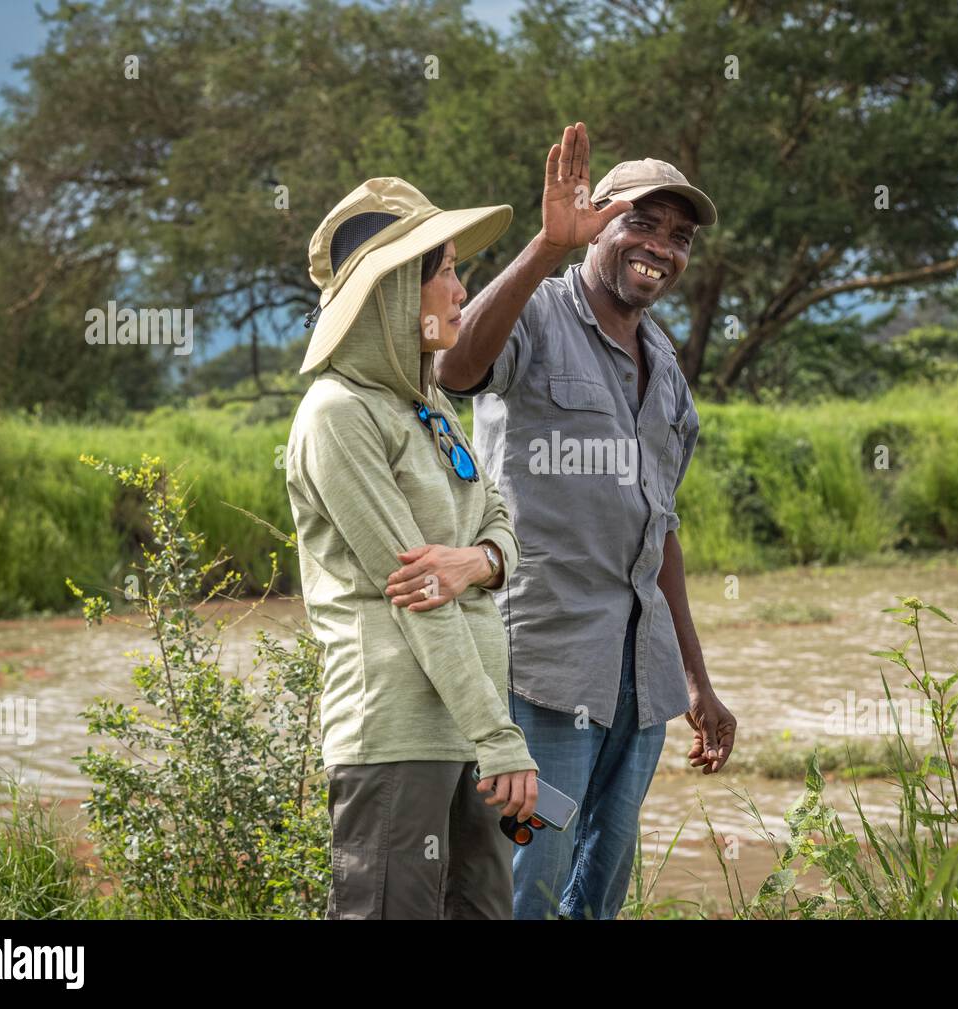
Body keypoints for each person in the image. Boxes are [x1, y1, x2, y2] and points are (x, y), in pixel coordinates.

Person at [435, 123, 738, 920]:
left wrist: (699, 683)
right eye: (641, 222)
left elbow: (660, 532)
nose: (661, 249)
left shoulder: (666, 367)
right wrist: (544, 245)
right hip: (542, 672)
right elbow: (456, 368)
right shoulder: (536, 316)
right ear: (595, 220)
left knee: (602, 881)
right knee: (530, 879)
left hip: (641, 686)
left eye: (678, 238)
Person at [285, 177, 540, 919]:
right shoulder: (339, 413)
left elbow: (499, 519)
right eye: (448, 270)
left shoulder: (428, 403)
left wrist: (480, 561)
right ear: (397, 289)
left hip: (474, 729)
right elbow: (418, 597)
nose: (463, 290)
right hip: (398, 736)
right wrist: (501, 738)